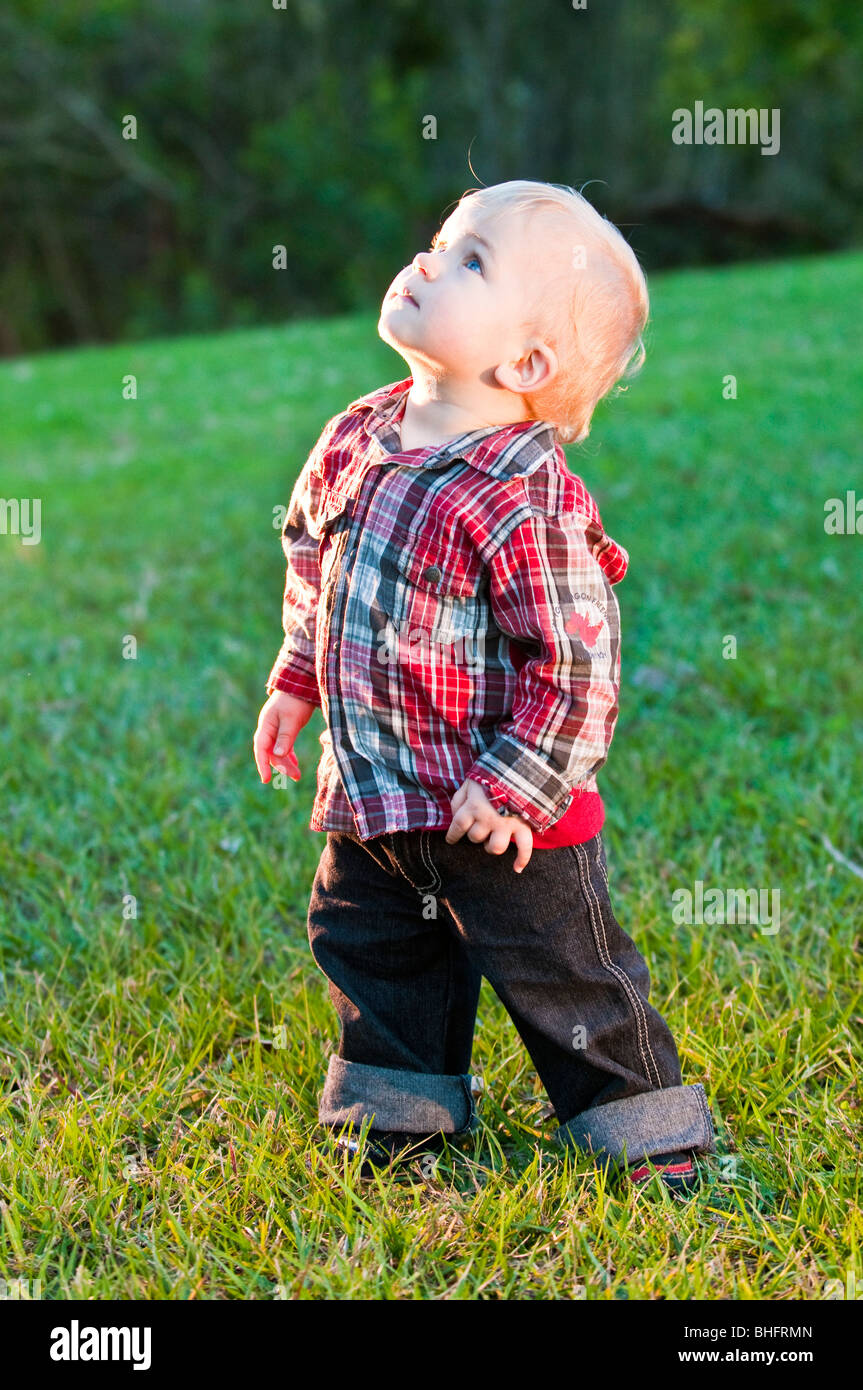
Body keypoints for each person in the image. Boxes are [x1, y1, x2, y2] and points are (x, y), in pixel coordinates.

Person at [253, 179, 718, 1194]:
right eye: (436, 240)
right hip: (379, 788)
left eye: (470, 261)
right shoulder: (354, 436)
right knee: (369, 945)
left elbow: (577, 658)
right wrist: (296, 675)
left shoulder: (517, 494)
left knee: (561, 969)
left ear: (524, 363)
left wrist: (512, 784)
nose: (426, 260)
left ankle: (646, 1131)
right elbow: (313, 566)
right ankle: (399, 1115)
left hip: (499, 811)